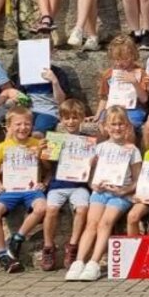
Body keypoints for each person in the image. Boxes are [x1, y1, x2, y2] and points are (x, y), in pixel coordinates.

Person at [67, 106, 141, 282]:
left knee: (105, 223)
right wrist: (93, 181)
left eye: (121, 124)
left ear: (127, 126)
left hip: (120, 194)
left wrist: (124, 190)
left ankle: (94, 263)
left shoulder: (132, 150)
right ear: (106, 127)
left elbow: (138, 180)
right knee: (91, 223)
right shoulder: (99, 148)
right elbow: (90, 179)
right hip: (100, 192)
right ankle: (78, 262)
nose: (117, 128)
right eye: (113, 124)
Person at [0, 104, 48, 273]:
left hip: (31, 189)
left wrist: (44, 181)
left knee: (42, 207)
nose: (23, 127)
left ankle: (18, 238)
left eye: (27, 124)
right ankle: (3, 254)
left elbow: (48, 169)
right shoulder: (3, 147)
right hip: (10, 189)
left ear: (32, 125)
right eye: (18, 124)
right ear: (9, 126)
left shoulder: (38, 143)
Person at [37, 98, 96, 274]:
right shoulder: (56, 140)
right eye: (67, 118)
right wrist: (43, 155)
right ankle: (48, 246)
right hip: (58, 183)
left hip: (79, 185)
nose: (71, 122)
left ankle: (73, 245)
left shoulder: (88, 141)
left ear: (82, 119)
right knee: (51, 209)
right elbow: (48, 167)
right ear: (61, 120)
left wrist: (92, 162)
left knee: (82, 208)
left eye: (75, 118)